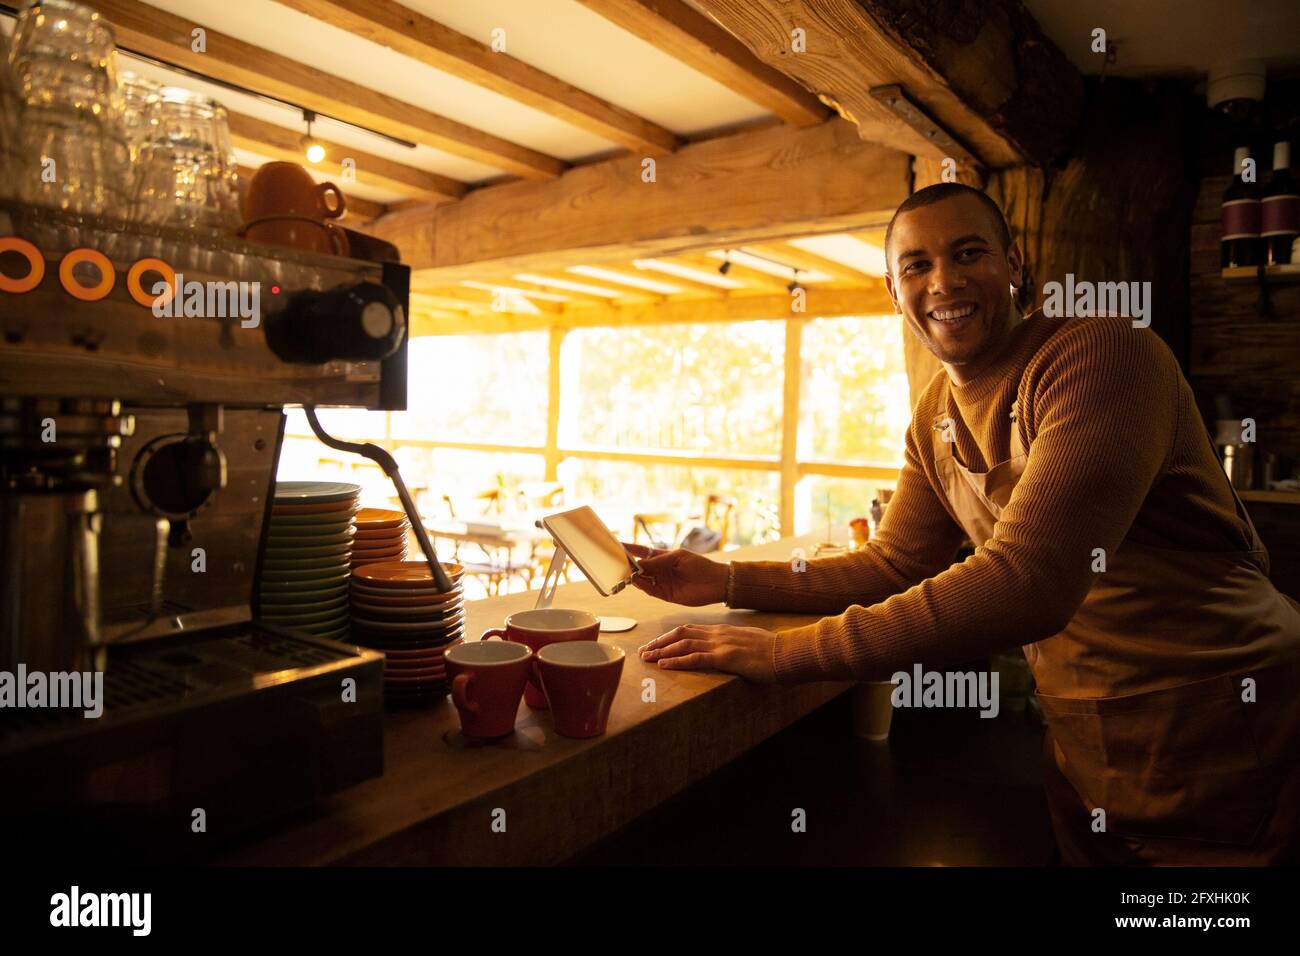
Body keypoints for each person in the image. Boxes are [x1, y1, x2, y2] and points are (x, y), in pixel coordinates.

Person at [624, 182, 1300, 865]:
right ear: (894, 291)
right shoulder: (935, 413)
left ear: (1013, 263)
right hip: (1085, 734)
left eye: (968, 252)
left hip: (1227, 723)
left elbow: (1028, 581)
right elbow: (891, 563)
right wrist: (729, 578)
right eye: (917, 266)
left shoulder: (1103, 356)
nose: (944, 280)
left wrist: (784, 655)